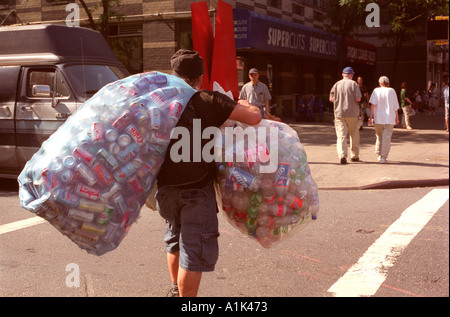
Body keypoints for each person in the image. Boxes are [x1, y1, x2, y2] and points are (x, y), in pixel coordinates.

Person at [155, 49, 262, 297]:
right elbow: (253, 118)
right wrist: (246, 104)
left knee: (174, 239)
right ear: (200, 77)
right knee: (193, 252)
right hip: (196, 190)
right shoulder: (209, 99)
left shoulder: (161, 102)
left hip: (166, 190)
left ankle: (175, 290)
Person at [329, 67, 362, 164]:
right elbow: (358, 99)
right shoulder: (354, 84)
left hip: (339, 113)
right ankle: (354, 155)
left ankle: (342, 155)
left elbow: (331, 99)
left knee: (341, 135)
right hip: (352, 113)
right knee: (354, 134)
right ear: (351, 75)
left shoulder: (336, 84)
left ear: (343, 74)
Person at [368, 76, 399, 164]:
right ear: (388, 83)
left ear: (380, 83)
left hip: (378, 118)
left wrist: (371, 117)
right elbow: (395, 106)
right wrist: (397, 118)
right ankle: (383, 157)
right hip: (389, 118)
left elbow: (372, 105)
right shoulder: (392, 91)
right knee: (387, 137)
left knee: (379, 136)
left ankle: (378, 154)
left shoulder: (376, 91)